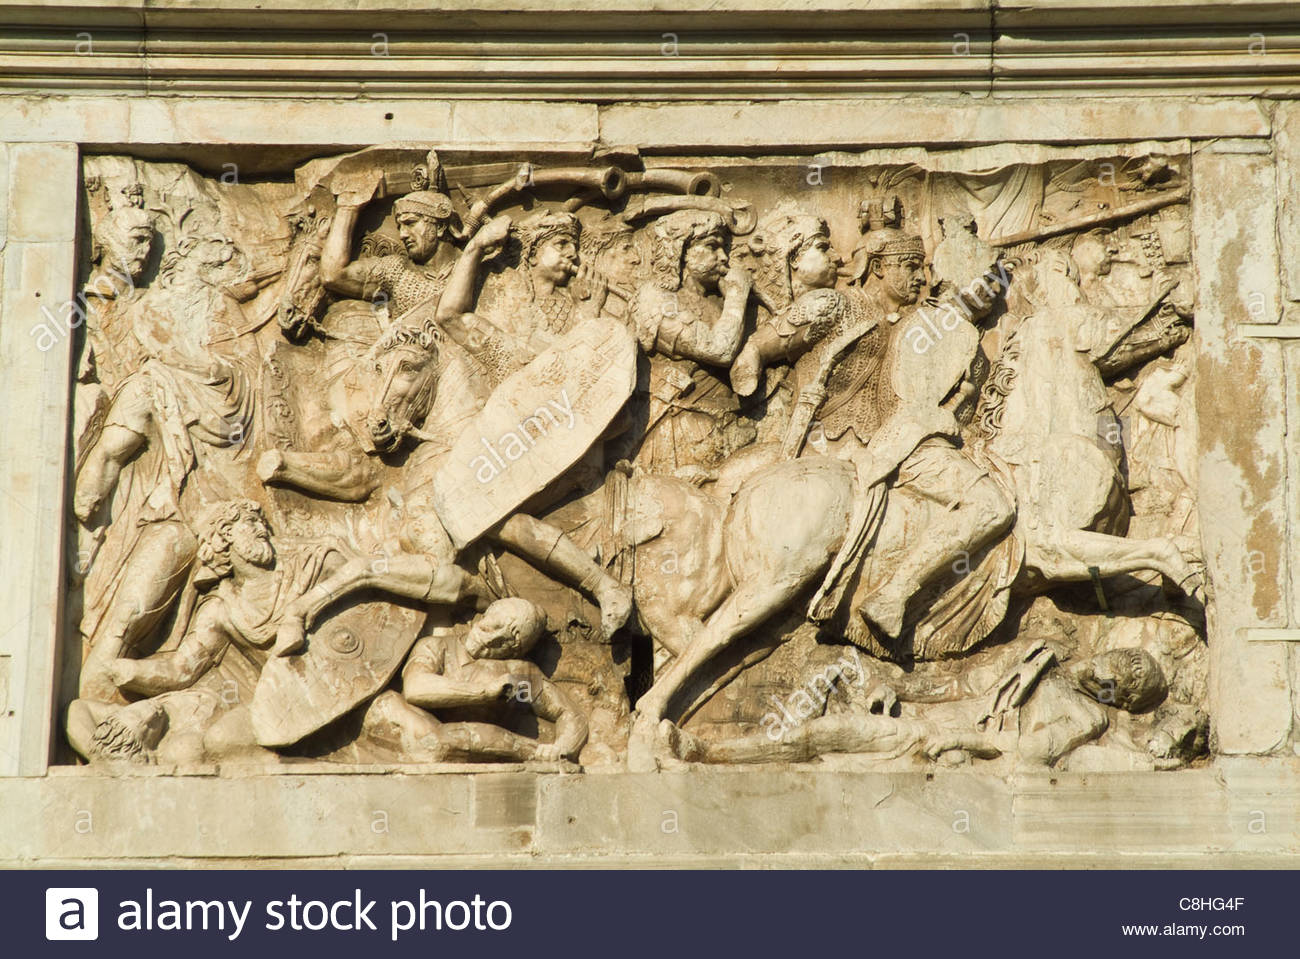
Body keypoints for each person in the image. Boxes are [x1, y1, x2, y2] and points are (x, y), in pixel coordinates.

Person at [362, 598, 588, 763]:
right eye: (494, 626)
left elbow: (567, 713)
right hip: (413, 724)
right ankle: (524, 750)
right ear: (484, 615)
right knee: (417, 728)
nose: (492, 639)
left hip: (470, 742)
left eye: (508, 642)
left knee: (451, 741)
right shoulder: (437, 647)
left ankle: (525, 751)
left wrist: (561, 748)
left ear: (518, 651)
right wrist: (483, 692)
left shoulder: (518, 675)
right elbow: (415, 688)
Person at [623, 209, 755, 474]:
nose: (724, 257)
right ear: (680, 251)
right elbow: (719, 350)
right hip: (676, 434)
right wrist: (738, 295)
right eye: (712, 246)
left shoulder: (715, 304)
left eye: (724, 248)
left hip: (727, 428)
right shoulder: (655, 299)